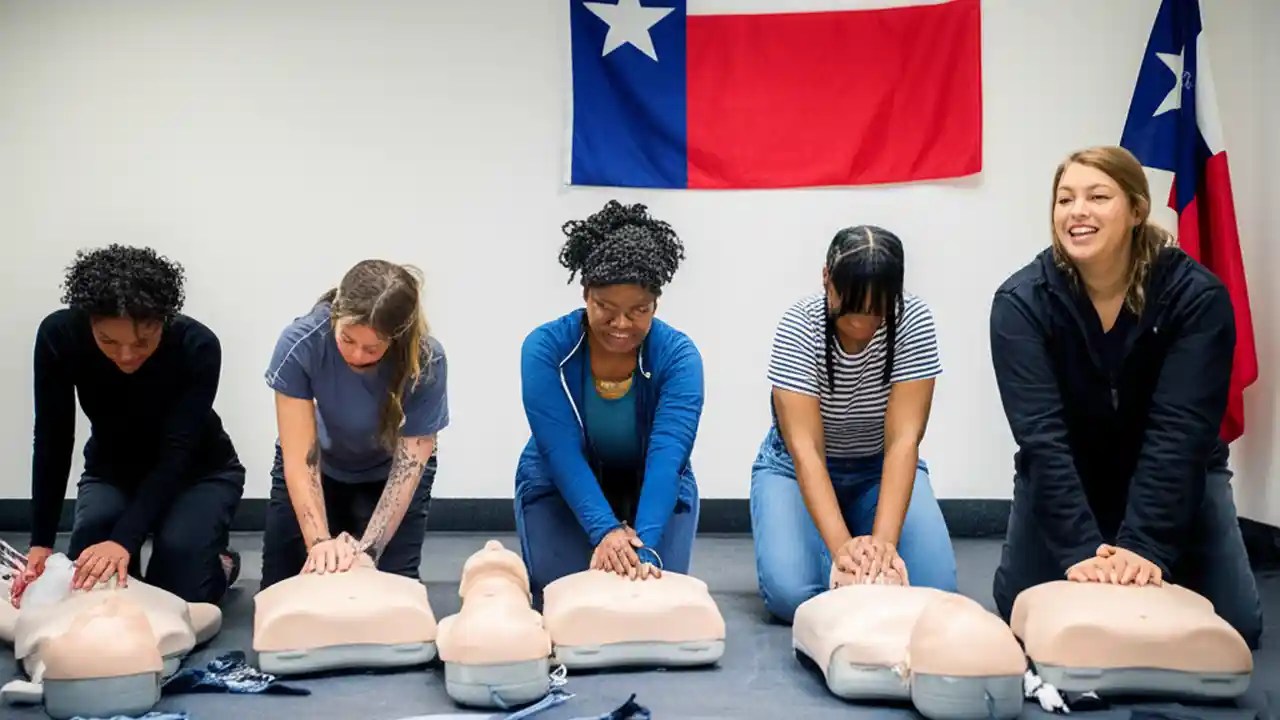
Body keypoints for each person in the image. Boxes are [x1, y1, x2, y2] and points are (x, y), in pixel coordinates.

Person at [989, 145, 1263, 648]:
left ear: (1137, 210)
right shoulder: (1020, 304)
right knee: (1016, 610)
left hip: (1179, 475)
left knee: (1237, 627)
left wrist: (1143, 544)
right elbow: (1041, 438)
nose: (1078, 212)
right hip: (1070, 471)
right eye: (1065, 199)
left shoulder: (1196, 298)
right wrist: (1078, 549)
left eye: (1098, 196)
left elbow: (1180, 433)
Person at [750, 225, 957, 624]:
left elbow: (903, 440)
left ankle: (858, 541)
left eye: (875, 312)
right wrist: (843, 548)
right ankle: (818, 539)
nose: (861, 325)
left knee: (935, 589)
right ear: (826, 277)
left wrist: (883, 547)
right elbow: (805, 448)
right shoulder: (799, 325)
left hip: (877, 469)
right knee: (793, 596)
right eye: (850, 311)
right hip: (793, 469)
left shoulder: (913, 321)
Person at [22, 244, 244, 605]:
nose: (126, 355)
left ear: (164, 320)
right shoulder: (59, 336)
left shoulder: (197, 346)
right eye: (108, 341)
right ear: (88, 322)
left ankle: (220, 563)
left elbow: (177, 451)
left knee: (178, 589)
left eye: (143, 340)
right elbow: (52, 437)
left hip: (198, 472)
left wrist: (124, 540)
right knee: (92, 578)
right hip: (112, 472)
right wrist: (40, 543)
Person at [515, 200, 703, 605]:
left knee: (650, 588)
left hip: (650, 482)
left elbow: (668, 458)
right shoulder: (545, 349)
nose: (621, 325)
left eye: (639, 310)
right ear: (585, 294)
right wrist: (604, 530)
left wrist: (644, 544)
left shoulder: (679, 358)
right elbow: (559, 451)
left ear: (656, 304)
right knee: (562, 593)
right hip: (561, 480)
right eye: (606, 308)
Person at [260, 259, 448, 590]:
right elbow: (299, 456)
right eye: (347, 340)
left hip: (388, 472)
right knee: (286, 588)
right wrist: (319, 543)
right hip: (320, 465)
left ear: (396, 339)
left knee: (390, 591)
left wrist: (369, 551)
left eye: (372, 348)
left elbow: (410, 463)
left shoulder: (427, 361)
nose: (358, 355)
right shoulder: (300, 343)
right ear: (336, 316)